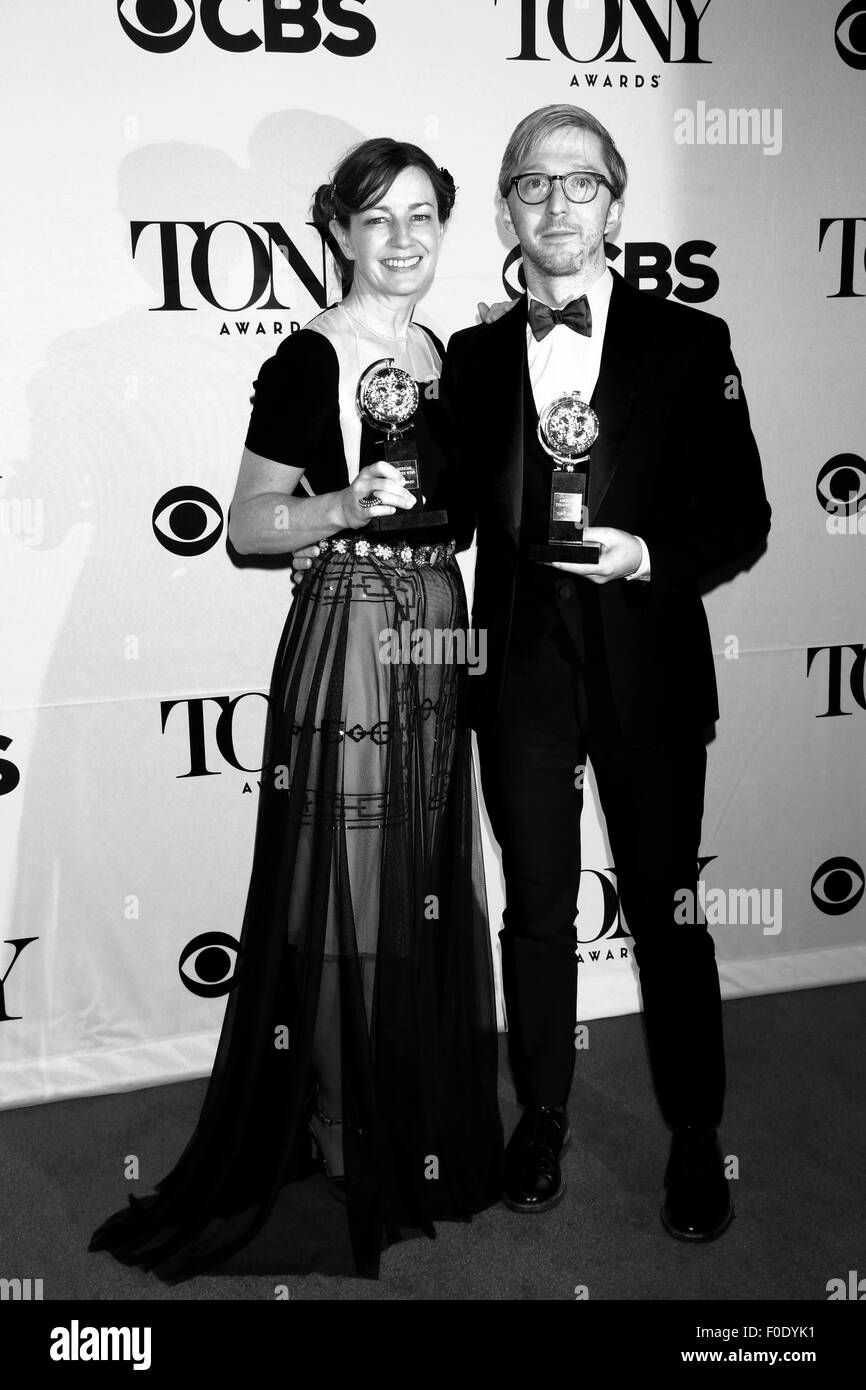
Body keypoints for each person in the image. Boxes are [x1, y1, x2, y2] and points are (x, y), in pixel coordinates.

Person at [297, 104, 771, 1242]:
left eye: (579, 184)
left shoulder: (689, 343)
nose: (556, 205)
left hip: (648, 667)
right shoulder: (464, 356)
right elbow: (451, 507)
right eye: (532, 186)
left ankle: (695, 1133)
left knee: (667, 911)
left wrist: (648, 553)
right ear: (506, 208)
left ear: (614, 203)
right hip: (516, 681)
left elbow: (740, 516)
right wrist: (354, 510)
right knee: (538, 914)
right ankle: (543, 1115)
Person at [88, 137, 503, 1284]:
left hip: (436, 627)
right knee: (345, 895)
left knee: (420, 873)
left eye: (423, 215)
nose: (404, 239)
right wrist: (339, 500)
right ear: (339, 231)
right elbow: (244, 525)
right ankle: (339, 1133)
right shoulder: (306, 357)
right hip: (354, 630)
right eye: (379, 219)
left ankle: (412, 1121)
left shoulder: (449, 353)